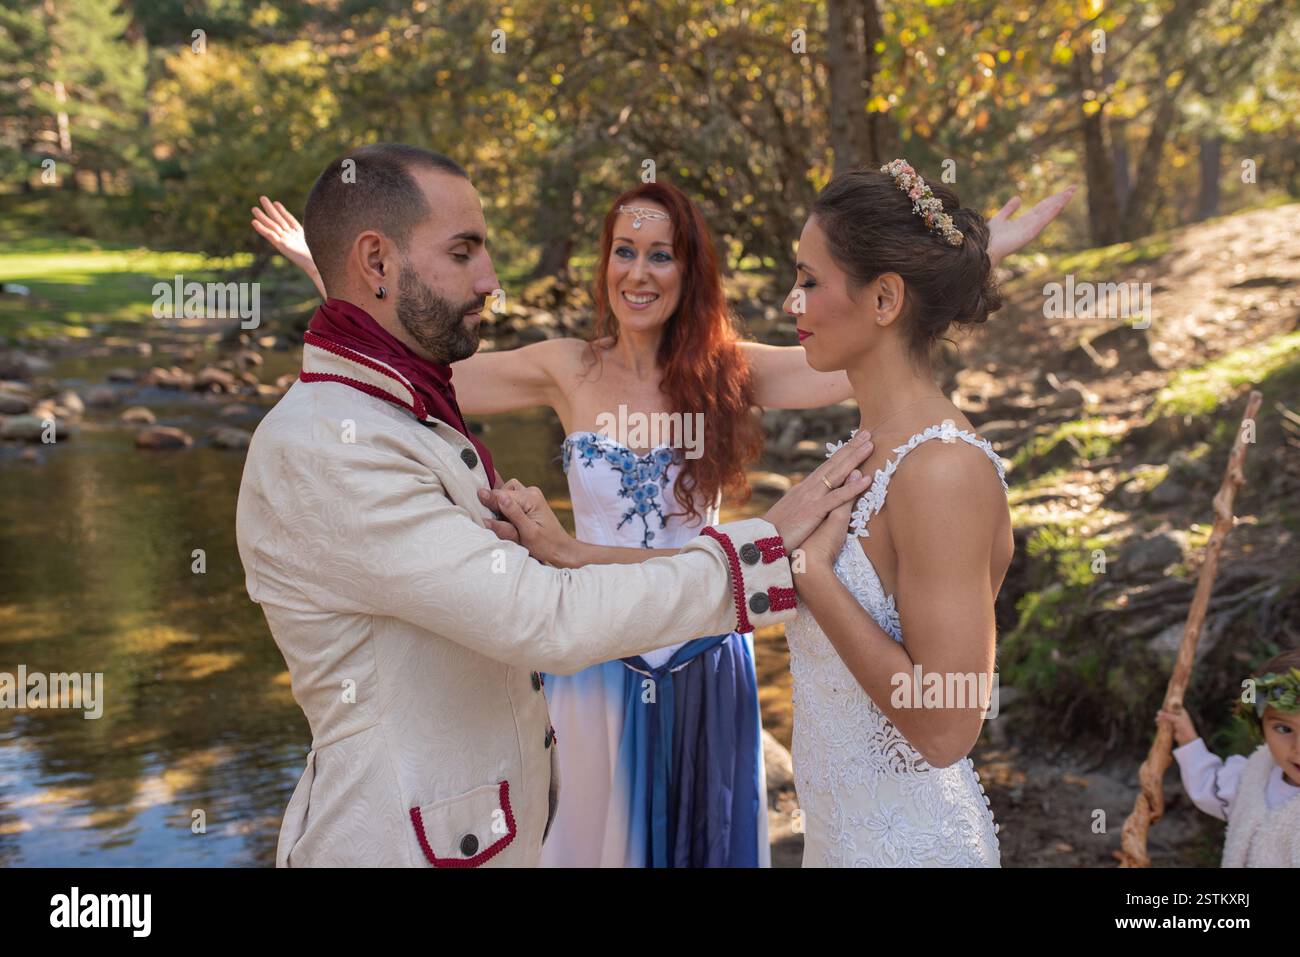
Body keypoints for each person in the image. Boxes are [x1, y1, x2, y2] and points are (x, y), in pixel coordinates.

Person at [251, 174, 1070, 867]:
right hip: (598, 644)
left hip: (714, 651)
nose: (639, 272)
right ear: (605, 261)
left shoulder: (728, 371)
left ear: (689, 269)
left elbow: (879, 336)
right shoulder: (562, 368)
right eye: (624, 250)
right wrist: (336, 274)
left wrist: (971, 253)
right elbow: (408, 363)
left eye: (661, 253)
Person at [495, 159, 1076, 867]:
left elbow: (948, 726)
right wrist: (576, 555)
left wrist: (815, 578)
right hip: (836, 841)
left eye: (808, 281)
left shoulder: (943, 470)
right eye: (623, 251)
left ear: (885, 298)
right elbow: (740, 579)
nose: (792, 303)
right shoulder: (856, 458)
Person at [1157, 650, 1300, 867]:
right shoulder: (1256, 775)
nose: (1298, 748)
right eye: (1283, 728)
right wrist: (1187, 738)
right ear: (1260, 725)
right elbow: (1212, 787)